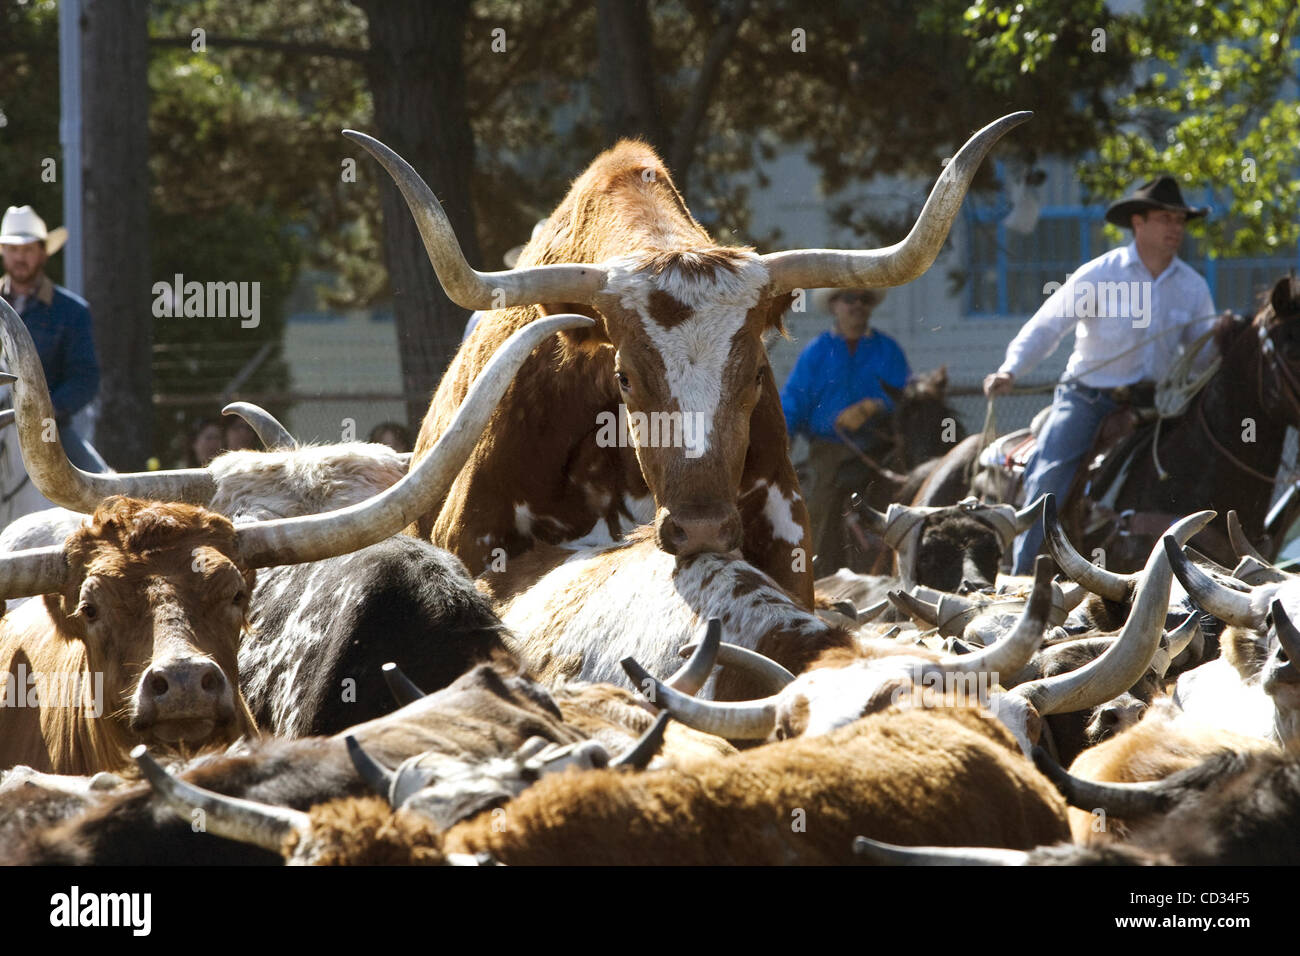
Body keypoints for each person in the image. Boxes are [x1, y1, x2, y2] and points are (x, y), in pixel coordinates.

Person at [983, 176, 1218, 574]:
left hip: (1158, 404)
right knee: (1052, 474)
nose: (1176, 229)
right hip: (1088, 399)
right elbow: (1047, 327)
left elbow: (1204, 356)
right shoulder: (1099, 274)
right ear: (1138, 223)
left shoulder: (1192, 288)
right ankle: (1021, 576)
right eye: (1166, 218)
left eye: (1180, 221)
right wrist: (1011, 369)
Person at [781, 287, 909, 572]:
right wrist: (781, 439)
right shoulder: (815, 353)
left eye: (864, 298)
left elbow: (907, 396)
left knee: (908, 494)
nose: (858, 305)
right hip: (830, 448)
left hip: (881, 448)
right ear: (834, 305)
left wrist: (873, 406)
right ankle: (814, 570)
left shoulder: (888, 350)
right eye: (850, 298)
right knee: (818, 502)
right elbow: (793, 402)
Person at [0, 205, 107, 472]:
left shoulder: (71, 311)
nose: (19, 258)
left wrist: (49, 410)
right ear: (3, 251)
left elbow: (85, 376)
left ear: (43, 252)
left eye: (27, 250)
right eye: (13, 250)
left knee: (101, 486)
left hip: (50, 428)